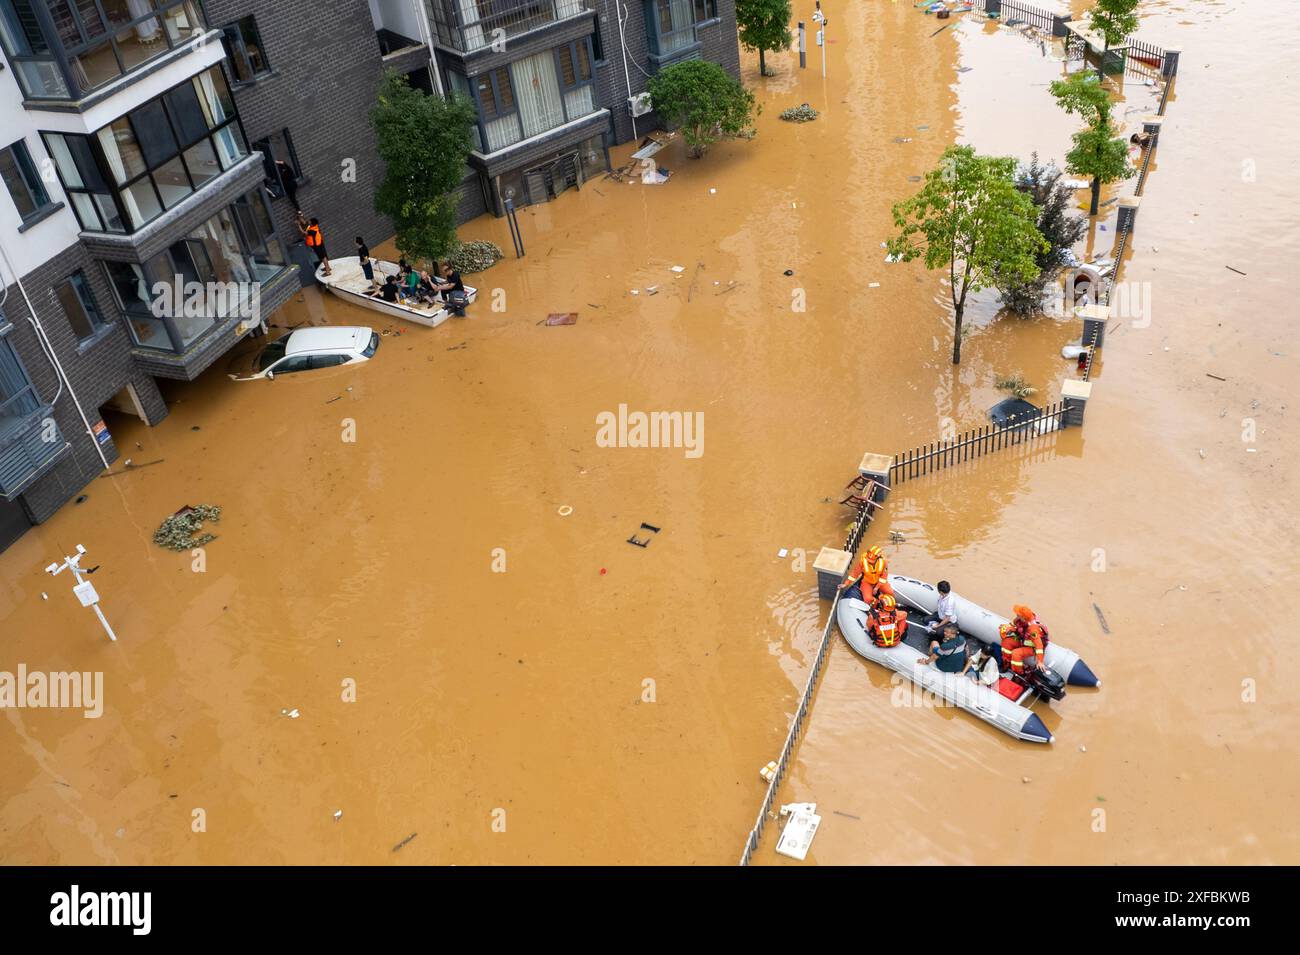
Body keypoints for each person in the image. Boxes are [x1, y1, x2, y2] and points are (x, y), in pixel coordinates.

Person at [999, 605, 1047, 677]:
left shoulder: (1033, 629)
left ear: (1023, 618)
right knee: (1006, 642)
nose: (1016, 615)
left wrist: (1040, 661)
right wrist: (1007, 628)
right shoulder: (1020, 620)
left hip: (1032, 647)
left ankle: (1019, 673)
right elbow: (1014, 625)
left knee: (1016, 653)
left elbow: (1039, 645)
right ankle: (1007, 663)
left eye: (1018, 614)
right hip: (1023, 641)